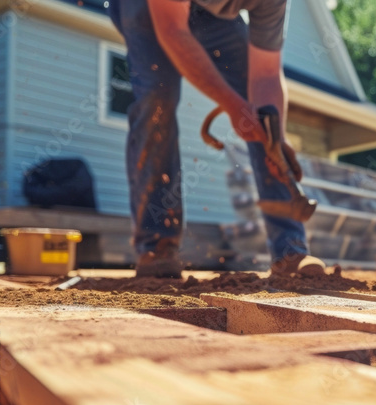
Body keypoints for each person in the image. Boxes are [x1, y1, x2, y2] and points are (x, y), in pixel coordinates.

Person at [108, 0, 324, 278]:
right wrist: (235, 107)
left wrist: (274, 139)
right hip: (146, 8)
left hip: (211, 16)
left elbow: (266, 73)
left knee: (264, 118)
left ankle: (289, 250)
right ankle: (156, 245)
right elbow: (173, 30)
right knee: (156, 98)